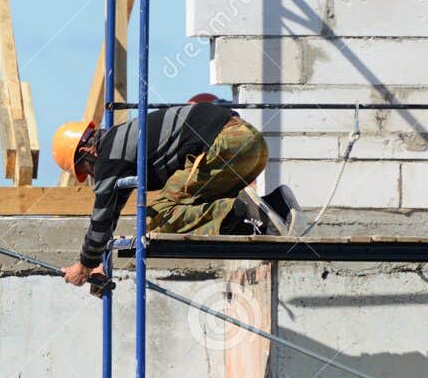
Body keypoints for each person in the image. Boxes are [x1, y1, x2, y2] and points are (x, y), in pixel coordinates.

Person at [56, 100, 294, 289]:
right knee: (197, 201)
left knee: (157, 215)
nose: (92, 175)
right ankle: (274, 206)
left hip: (225, 144)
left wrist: (84, 266)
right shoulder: (124, 142)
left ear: (87, 151)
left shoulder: (109, 157)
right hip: (251, 141)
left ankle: (244, 216)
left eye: (85, 169)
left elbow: (102, 218)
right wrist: (98, 262)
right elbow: (113, 211)